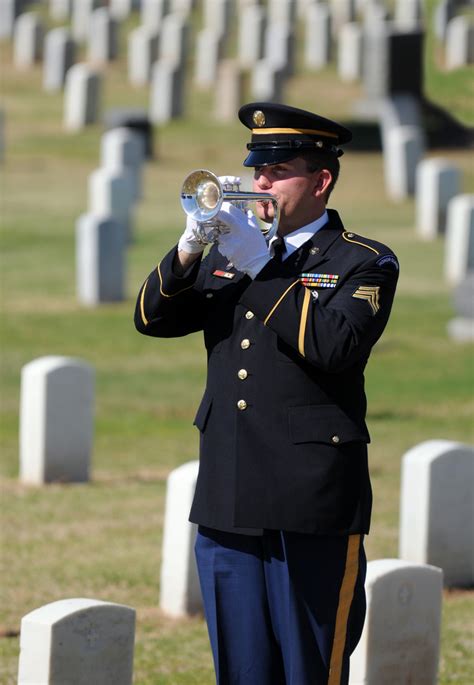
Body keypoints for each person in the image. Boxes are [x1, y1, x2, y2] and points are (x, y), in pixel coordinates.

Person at [134, 102, 399, 685]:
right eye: (257, 168)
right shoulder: (234, 248)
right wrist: (189, 250)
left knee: (308, 668)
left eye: (278, 171)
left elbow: (334, 346)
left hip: (309, 499)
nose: (261, 181)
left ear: (320, 181)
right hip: (229, 490)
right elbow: (152, 319)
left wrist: (264, 266)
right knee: (243, 669)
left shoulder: (361, 260)